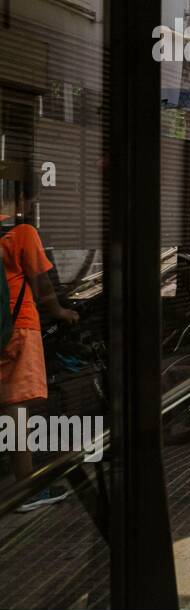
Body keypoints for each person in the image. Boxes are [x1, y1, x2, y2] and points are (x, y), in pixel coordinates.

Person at [1, 207, 79, 510]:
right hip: (15, 325)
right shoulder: (22, 233)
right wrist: (61, 312)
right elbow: (43, 286)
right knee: (15, 405)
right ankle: (26, 489)